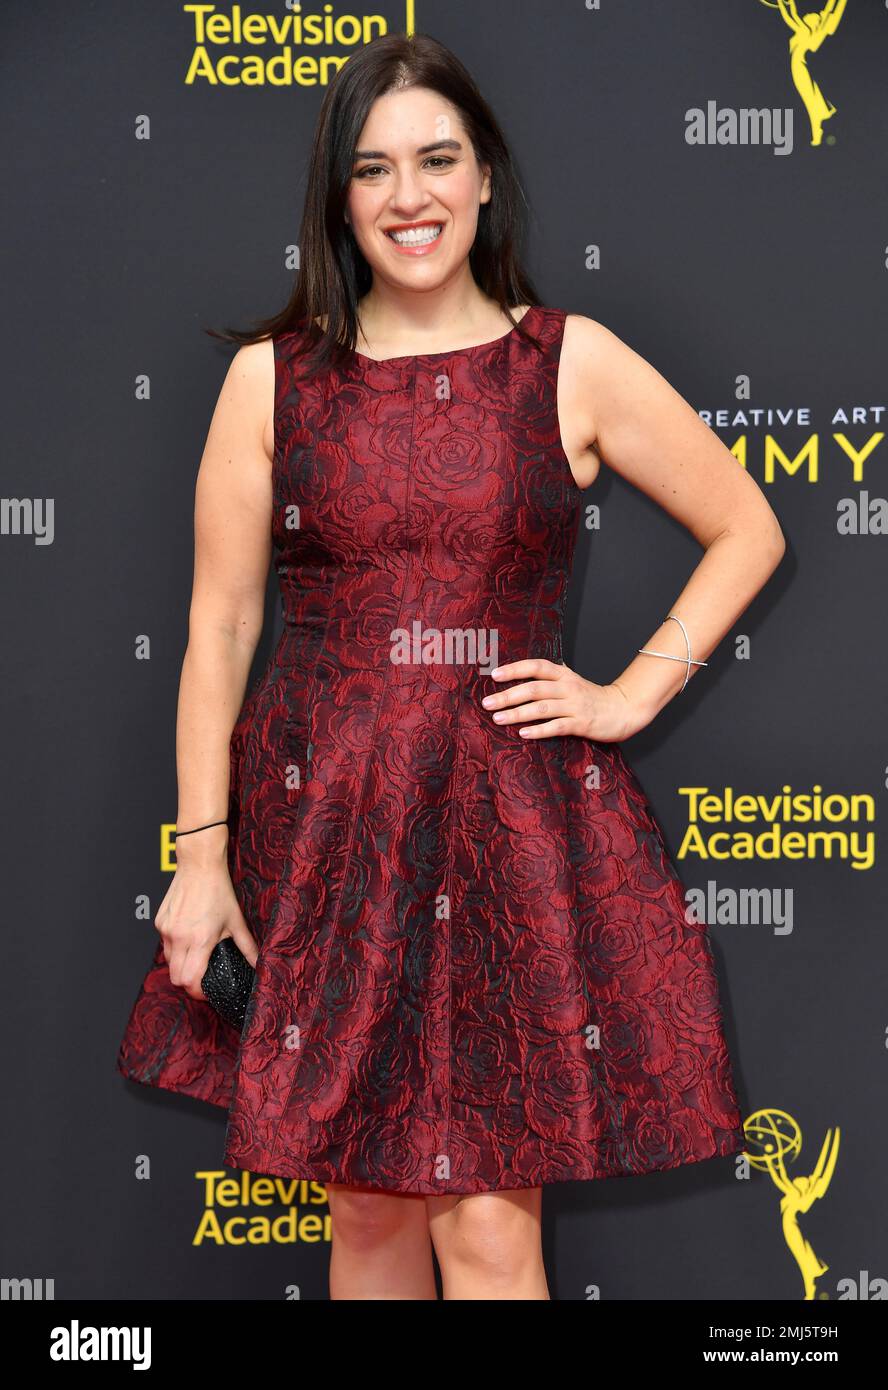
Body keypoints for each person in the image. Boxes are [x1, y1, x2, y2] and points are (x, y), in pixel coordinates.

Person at [117, 31, 785, 1301]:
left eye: (437, 160)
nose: (408, 197)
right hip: (326, 838)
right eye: (374, 171)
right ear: (339, 198)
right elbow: (216, 629)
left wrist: (629, 693)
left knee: (487, 1230)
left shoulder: (564, 361)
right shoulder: (273, 382)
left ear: (485, 179)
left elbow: (748, 525)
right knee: (366, 1215)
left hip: (502, 833)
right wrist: (200, 860)